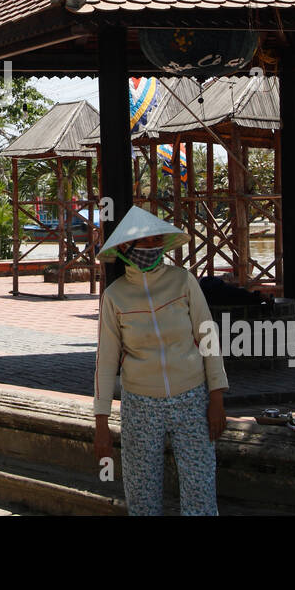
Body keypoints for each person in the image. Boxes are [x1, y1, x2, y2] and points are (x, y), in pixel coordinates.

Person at [93, 205, 228, 516]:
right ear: (126, 248)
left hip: (192, 399)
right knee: (142, 496)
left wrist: (217, 397)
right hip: (139, 405)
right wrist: (101, 423)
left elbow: (208, 339)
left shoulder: (184, 282)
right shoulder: (115, 297)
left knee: (200, 491)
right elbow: (106, 363)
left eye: (157, 242)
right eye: (145, 243)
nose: (153, 249)